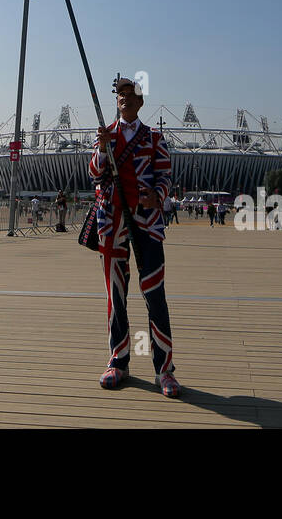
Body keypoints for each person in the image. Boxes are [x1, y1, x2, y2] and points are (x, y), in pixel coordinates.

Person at [89, 76, 178, 397]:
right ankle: (118, 360)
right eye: (120, 95)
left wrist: (157, 195)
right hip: (111, 222)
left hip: (147, 222)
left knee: (155, 293)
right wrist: (102, 149)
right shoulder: (106, 135)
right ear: (117, 102)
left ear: (141, 102)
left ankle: (164, 369)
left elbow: (166, 174)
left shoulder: (154, 137)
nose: (125, 98)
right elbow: (95, 172)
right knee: (116, 295)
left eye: (131, 94)